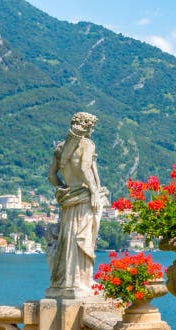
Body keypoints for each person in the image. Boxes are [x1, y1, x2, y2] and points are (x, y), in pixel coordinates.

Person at [46, 112, 107, 297]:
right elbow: (83, 167)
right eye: (92, 126)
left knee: (69, 239)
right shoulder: (86, 144)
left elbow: (51, 176)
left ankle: (67, 282)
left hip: (69, 199)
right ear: (86, 126)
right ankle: (82, 282)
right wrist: (95, 192)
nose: (93, 130)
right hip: (84, 198)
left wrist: (63, 189)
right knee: (84, 238)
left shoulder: (60, 148)